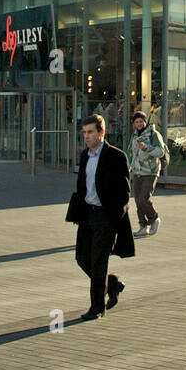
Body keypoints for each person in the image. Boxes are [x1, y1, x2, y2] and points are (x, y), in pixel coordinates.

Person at [73, 114, 135, 321]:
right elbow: (82, 186)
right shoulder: (85, 156)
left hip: (105, 216)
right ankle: (112, 284)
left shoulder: (116, 157)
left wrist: (114, 215)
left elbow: (124, 191)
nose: (87, 137)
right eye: (84, 133)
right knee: (82, 258)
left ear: (101, 132)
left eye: (91, 132)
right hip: (87, 214)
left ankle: (97, 307)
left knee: (99, 261)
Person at [128, 109, 170, 236]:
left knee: (143, 199)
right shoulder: (134, 136)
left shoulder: (153, 134)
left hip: (150, 172)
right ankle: (143, 226)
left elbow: (160, 151)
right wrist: (129, 167)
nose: (139, 124)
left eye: (141, 121)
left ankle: (154, 219)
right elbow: (130, 152)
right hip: (137, 172)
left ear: (145, 122)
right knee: (137, 201)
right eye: (136, 122)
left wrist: (146, 147)